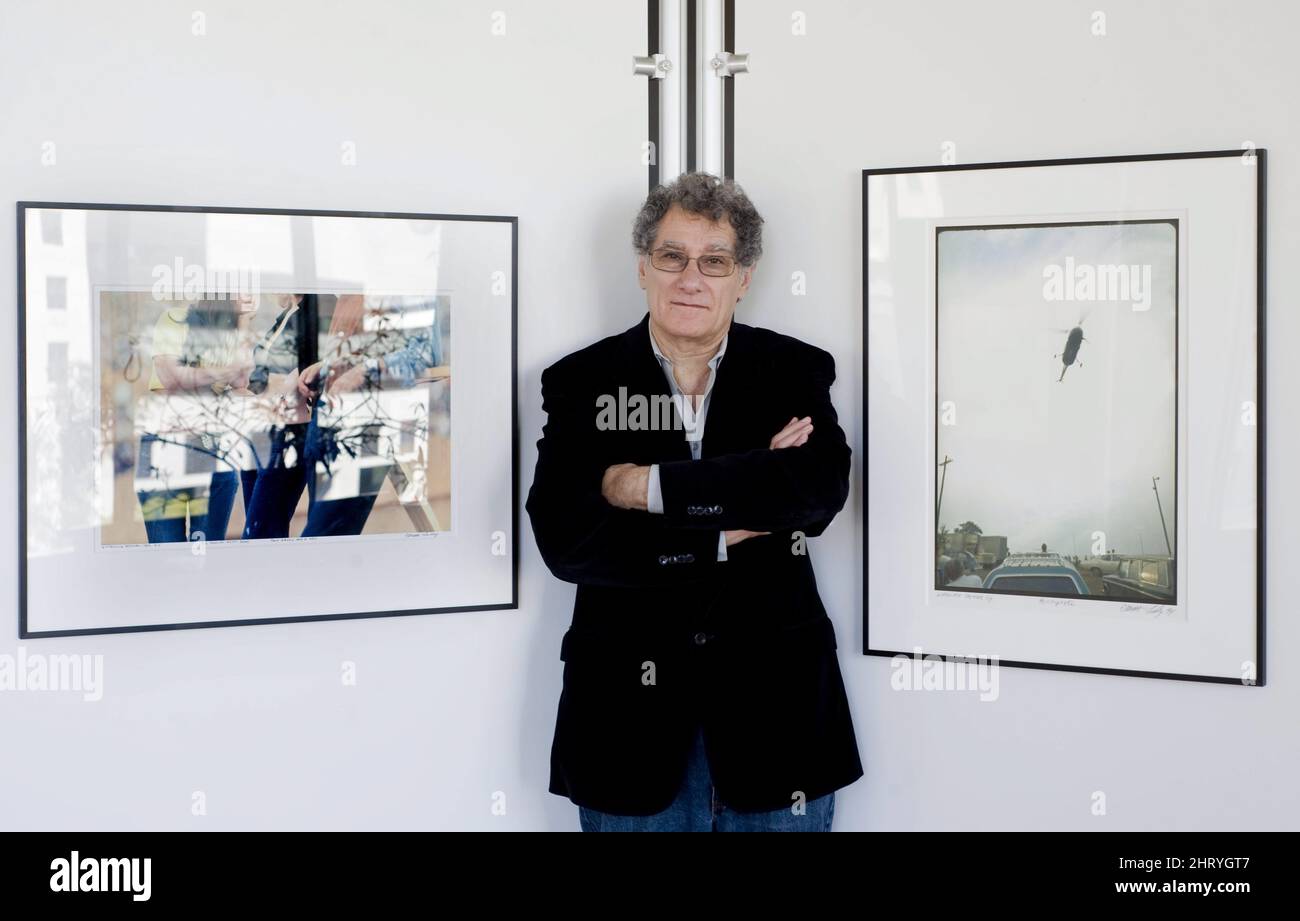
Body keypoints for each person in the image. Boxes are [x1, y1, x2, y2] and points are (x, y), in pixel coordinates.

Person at [526, 172, 862, 831]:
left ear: (744, 277)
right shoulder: (581, 381)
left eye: (715, 261)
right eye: (672, 257)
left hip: (779, 719)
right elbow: (567, 540)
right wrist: (730, 515)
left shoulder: (793, 370)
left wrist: (640, 487)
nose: (691, 278)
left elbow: (816, 495)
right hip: (625, 728)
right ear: (643, 267)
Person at [133, 295, 258, 543]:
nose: (248, 296)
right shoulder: (174, 319)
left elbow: (241, 381)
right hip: (167, 447)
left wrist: (243, 323)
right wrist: (224, 372)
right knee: (167, 556)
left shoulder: (232, 331)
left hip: (213, 448)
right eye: (240, 289)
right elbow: (170, 377)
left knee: (208, 555)